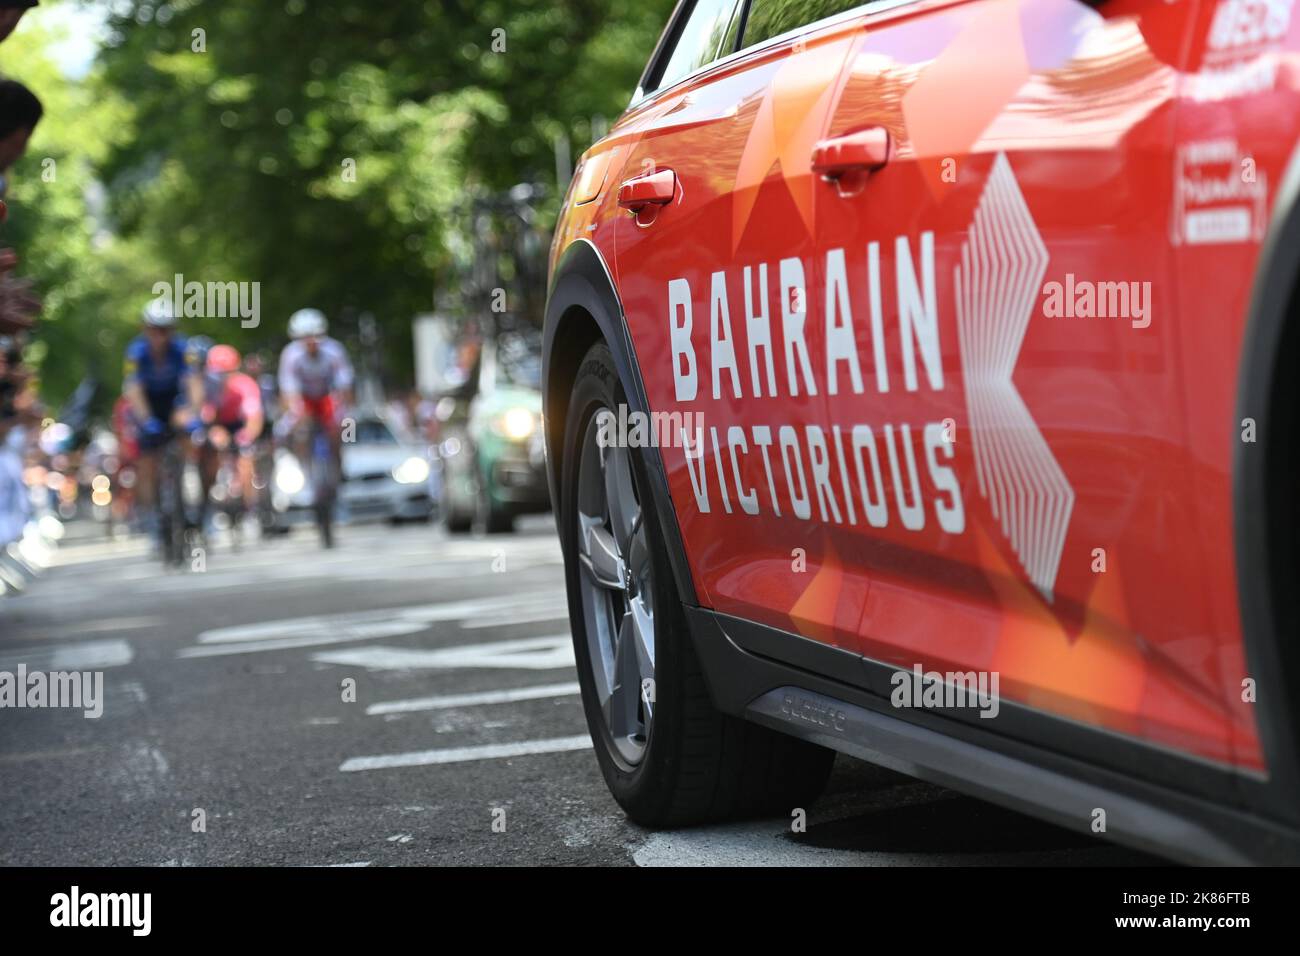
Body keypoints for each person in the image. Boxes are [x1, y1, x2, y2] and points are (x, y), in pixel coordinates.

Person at [122, 300, 193, 544]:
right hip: (147, 403)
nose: (159, 336)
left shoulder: (184, 349)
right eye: (154, 329)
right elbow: (134, 389)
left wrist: (191, 412)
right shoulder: (135, 352)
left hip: (174, 400)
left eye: (165, 330)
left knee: (187, 440)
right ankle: (152, 517)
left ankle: (190, 493)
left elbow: (194, 384)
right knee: (147, 463)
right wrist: (146, 419)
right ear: (146, 329)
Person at [194, 344, 263, 529]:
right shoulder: (207, 386)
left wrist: (247, 436)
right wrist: (214, 433)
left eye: (228, 372)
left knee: (246, 461)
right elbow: (206, 415)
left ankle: (249, 510)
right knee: (209, 460)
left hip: (239, 424)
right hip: (217, 424)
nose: (224, 377)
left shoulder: (245, 385)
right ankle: (207, 504)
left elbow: (254, 417)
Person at [277, 307, 353, 476]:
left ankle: (339, 470)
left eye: (314, 337)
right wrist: (298, 415)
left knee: (342, 428)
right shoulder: (290, 354)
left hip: (327, 396)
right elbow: (288, 392)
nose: (310, 342)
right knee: (295, 430)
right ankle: (302, 470)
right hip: (304, 398)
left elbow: (345, 386)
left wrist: (343, 414)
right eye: (304, 338)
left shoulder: (335, 351)